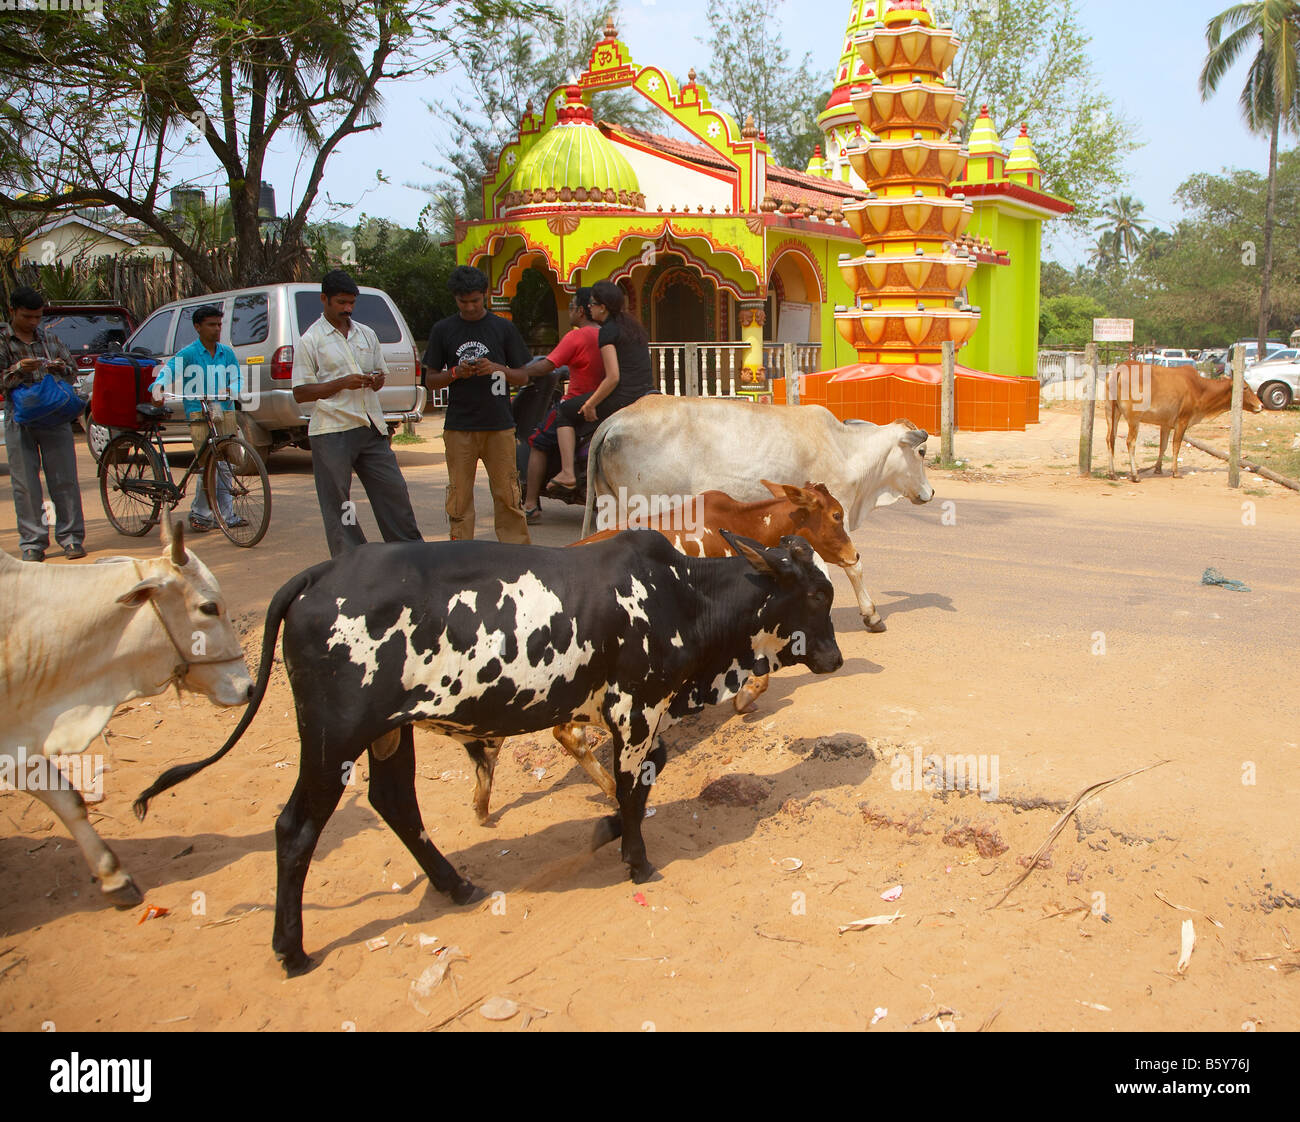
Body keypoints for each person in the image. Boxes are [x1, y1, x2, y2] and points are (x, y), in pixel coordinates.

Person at [292, 270, 422, 557]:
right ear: (324, 299)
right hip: (331, 430)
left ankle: (411, 556)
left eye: (351, 302)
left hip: (371, 426)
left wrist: (376, 380)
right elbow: (300, 393)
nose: (347, 308)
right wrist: (341, 383)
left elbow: (381, 375)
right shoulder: (310, 340)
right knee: (338, 503)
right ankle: (351, 561)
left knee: (393, 493)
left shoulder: (366, 333)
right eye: (340, 302)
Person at [423, 266, 532, 543]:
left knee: (508, 495)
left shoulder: (503, 328)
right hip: (460, 427)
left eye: (475, 300)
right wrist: (456, 373)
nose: (470, 307)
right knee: (459, 498)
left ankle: (516, 555)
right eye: (463, 302)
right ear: (455, 299)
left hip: (499, 425)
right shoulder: (443, 330)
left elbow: (523, 375)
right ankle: (461, 554)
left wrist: (496, 368)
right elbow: (431, 380)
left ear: (485, 295)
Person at [1, 286, 86, 562]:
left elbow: (73, 372)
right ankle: (33, 543)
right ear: (12, 311)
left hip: (54, 416)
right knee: (25, 483)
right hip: (20, 417)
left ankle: (71, 538)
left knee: (65, 480)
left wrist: (61, 368)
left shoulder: (50, 338)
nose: (33, 323)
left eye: (38, 317)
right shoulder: (3, 341)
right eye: (27, 317)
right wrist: (17, 370)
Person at [549, 278, 656, 494]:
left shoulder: (607, 330)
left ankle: (568, 472)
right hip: (645, 392)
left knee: (564, 412)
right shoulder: (631, 326)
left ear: (602, 307)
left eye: (591, 304)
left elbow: (613, 377)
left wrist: (590, 404)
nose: (589, 308)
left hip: (623, 397)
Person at [150, 304, 243, 533]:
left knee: (224, 463)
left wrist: (231, 390)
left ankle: (221, 514)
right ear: (198, 327)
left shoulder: (226, 353)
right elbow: (168, 371)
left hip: (224, 411)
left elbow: (237, 378)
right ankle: (204, 513)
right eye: (211, 325)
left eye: (219, 324)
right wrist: (158, 387)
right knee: (209, 463)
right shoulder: (189, 353)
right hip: (199, 413)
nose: (216, 329)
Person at [519, 287, 603, 522]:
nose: (570, 310)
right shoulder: (609, 335)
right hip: (605, 404)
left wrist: (517, 371)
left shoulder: (576, 336)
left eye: (573, 305)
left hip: (576, 404)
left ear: (581, 310)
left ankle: (531, 504)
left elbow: (547, 366)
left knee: (537, 441)